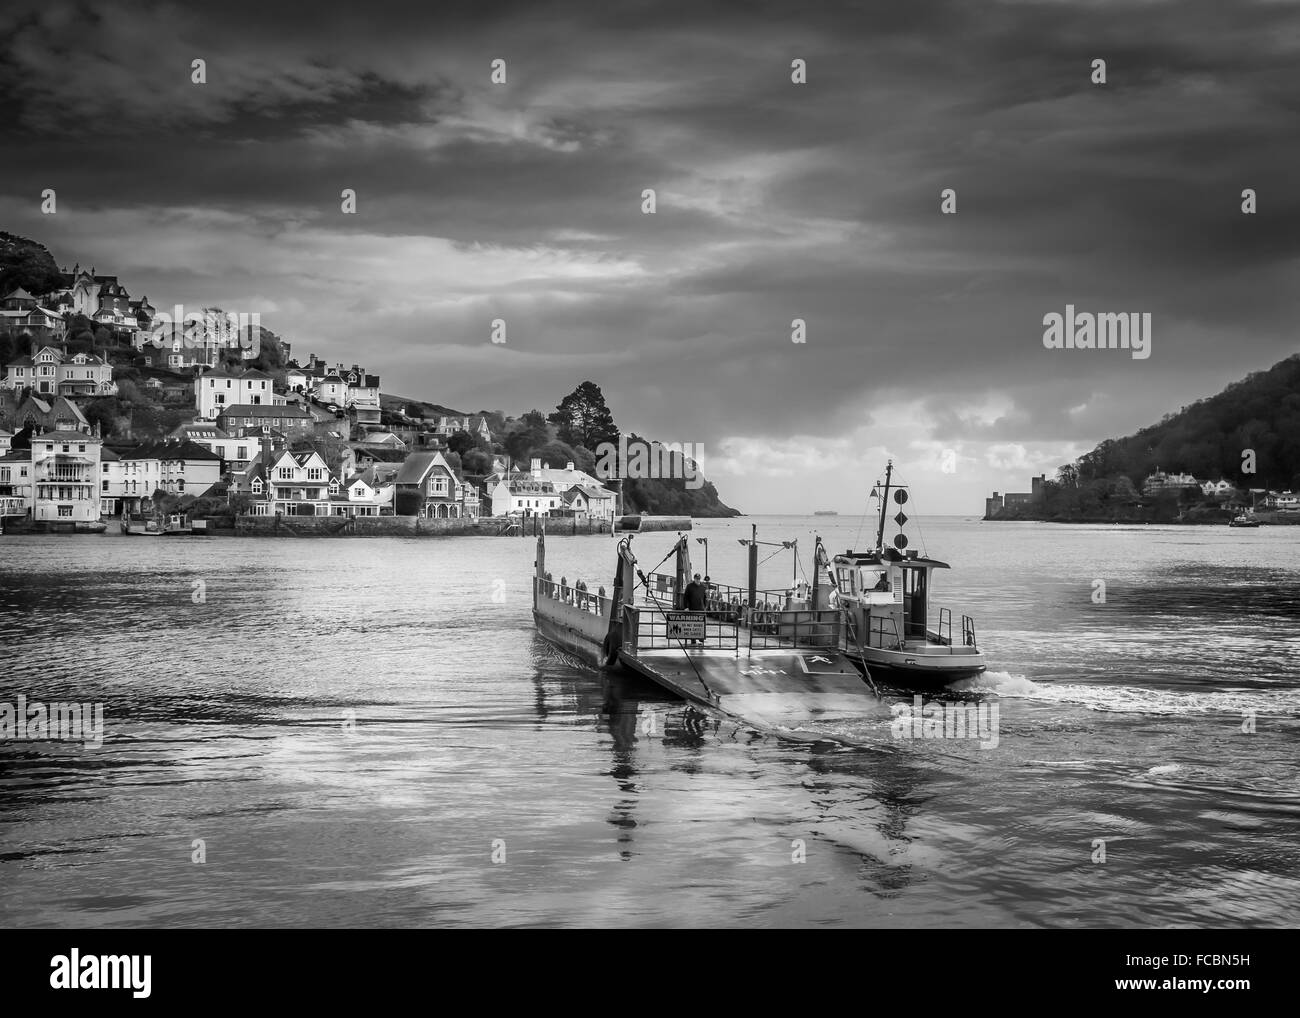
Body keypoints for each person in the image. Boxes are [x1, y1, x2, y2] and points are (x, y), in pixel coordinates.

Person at [683, 573, 707, 644]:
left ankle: (701, 638)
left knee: (701, 624)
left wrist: (705, 607)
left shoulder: (703, 587)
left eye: (699, 578)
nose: (698, 580)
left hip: (701, 609)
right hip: (692, 608)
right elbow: (685, 597)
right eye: (696, 578)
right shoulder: (689, 586)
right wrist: (686, 607)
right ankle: (693, 639)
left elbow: (705, 598)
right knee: (693, 624)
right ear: (694, 579)